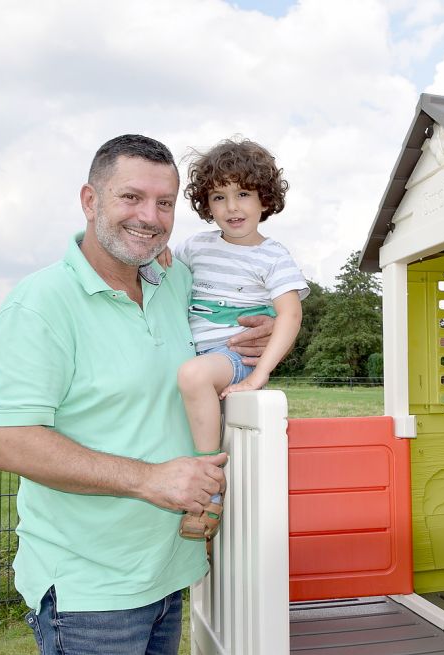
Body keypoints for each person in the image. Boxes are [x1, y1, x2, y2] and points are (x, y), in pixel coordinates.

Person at [0, 134, 273, 655]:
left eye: (165, 203)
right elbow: (12, 442)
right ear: (90, 201)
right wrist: (148, 480)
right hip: (88, 593)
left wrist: (259, 333)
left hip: (170, 573)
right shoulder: (39, 304)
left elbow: (241, 317)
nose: (150, 216)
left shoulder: (179, 282)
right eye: (131, 197)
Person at [166, 138, 308, 540]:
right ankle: (205, 540)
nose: (232, 207)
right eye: (219, 196)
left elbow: (290, 314)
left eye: (243, 194)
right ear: (206, 205)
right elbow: (168, 284)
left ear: (265, 199)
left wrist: (258, 375)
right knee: (189, 380)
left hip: (232, 356)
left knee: (194, 376)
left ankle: (209, 479)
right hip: (197, 352)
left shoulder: (273, 256)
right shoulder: (193, 247)